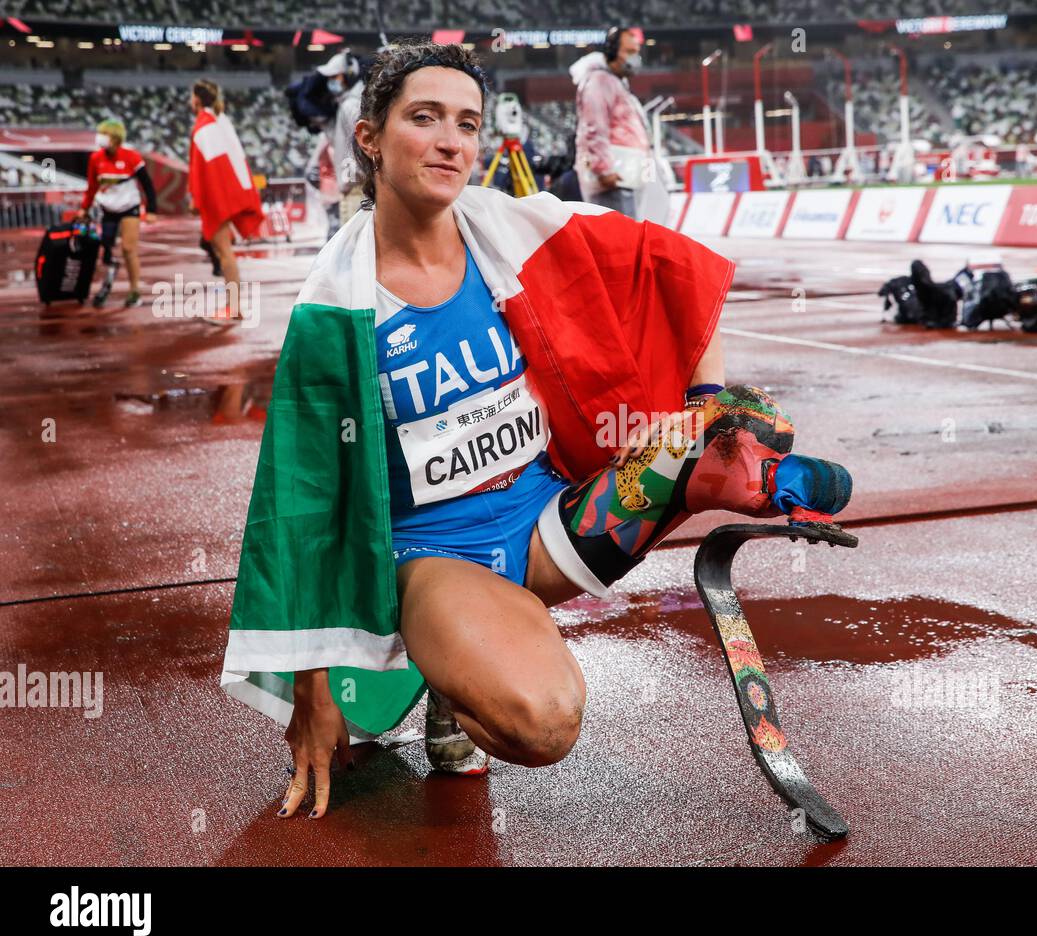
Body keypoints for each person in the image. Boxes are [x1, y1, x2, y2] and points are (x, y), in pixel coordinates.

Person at [217, 41, 852, 819]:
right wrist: (309, 692)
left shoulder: (514, 232)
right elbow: (304, 510)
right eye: (425, 118)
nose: (452, 141)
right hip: (435, 558)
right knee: (544, 721)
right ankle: (452, 669)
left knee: (728, 420)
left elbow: (676, 269)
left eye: (467, 123)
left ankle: (735, 473)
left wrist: (703, 408)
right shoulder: (332, 311)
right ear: (371, 136)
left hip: (549, 519)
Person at [187, 79, 265, 325]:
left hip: (215, 198)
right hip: (219, 195)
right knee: (222, 252)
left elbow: (204, 169)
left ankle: (234, 307)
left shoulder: (205, 126)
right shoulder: (216, 123)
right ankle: (233, 305)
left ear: (197, 100)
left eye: (191, 97)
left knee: (224, 253)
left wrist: (197, 198)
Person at [76, 119, 156, 309]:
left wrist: (152, 209)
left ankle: (134, 290)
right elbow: (92, 186)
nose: (100, 138)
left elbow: (147, 185)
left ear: (115, 138)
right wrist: (84, 208)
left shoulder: (132, 157)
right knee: (106, 250)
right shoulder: (96, 159)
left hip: (129, 207)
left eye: (105, 134)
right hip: (108, 210)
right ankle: (107, 282)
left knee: (129, 248)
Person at [571, 27, 651, 217]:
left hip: (623, 176)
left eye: (637, 53)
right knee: (619, 242)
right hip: (611, 180)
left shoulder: (614, 82)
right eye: (629, 52)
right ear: (612, 52)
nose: (635, 58)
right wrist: (604, 170)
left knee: (627, 239)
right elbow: (593, 128)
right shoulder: (600, 81)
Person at [313, 50, 366, 230]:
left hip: (357, 190)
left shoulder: (352, 105)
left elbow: (357, 150)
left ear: (349, 75)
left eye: (335, 76)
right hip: (355, 188)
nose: (331, 82)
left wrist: (350, 182)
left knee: (355, 251)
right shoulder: (350, 103)